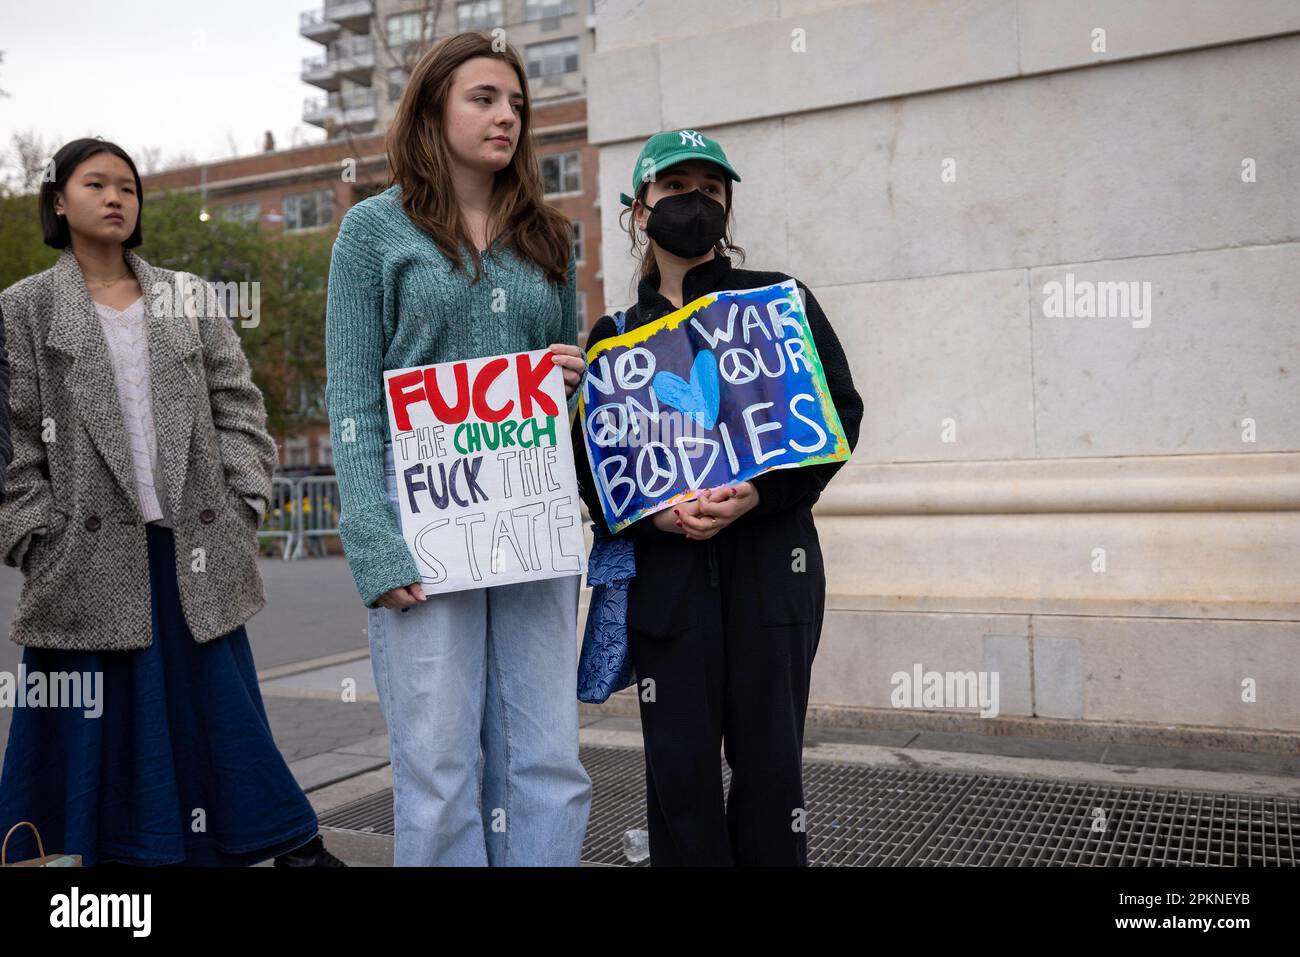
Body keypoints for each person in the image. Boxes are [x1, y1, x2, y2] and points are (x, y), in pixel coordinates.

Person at [0, 137, 342, 867]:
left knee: (219, 712)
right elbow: (12, 443)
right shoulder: (23, 310)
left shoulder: (186, 294)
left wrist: (245, 499)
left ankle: (286, 848)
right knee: (95, 727)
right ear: (58, 200)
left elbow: (240, 410)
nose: (116, 196)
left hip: (192, 548)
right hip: (83, 559)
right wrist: (36, 535)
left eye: (128, 185)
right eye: (96, 183)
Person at [325, 33, 592, 866]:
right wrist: (372, 538)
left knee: (547, 751)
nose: (506, 115)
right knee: (437, 762)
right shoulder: (373, 231)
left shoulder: (548, 234)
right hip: (423, 525)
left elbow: (560, 370)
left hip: (531, 522)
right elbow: (353, 399)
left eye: (516, 102)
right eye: (484, 98)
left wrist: (567, 375)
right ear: (433, 110)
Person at [572, 129, 864, 866]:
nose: (693, 202)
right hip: (669, 592)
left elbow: (839, 418)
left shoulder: (782, 300)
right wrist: (655, 514)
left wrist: (758, 495)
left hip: (773, 573)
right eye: (675, 188)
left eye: (710, 188)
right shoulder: (611, 340)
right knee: (679, 781)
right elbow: (594, 475)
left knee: (773, 776)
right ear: (639, 209)